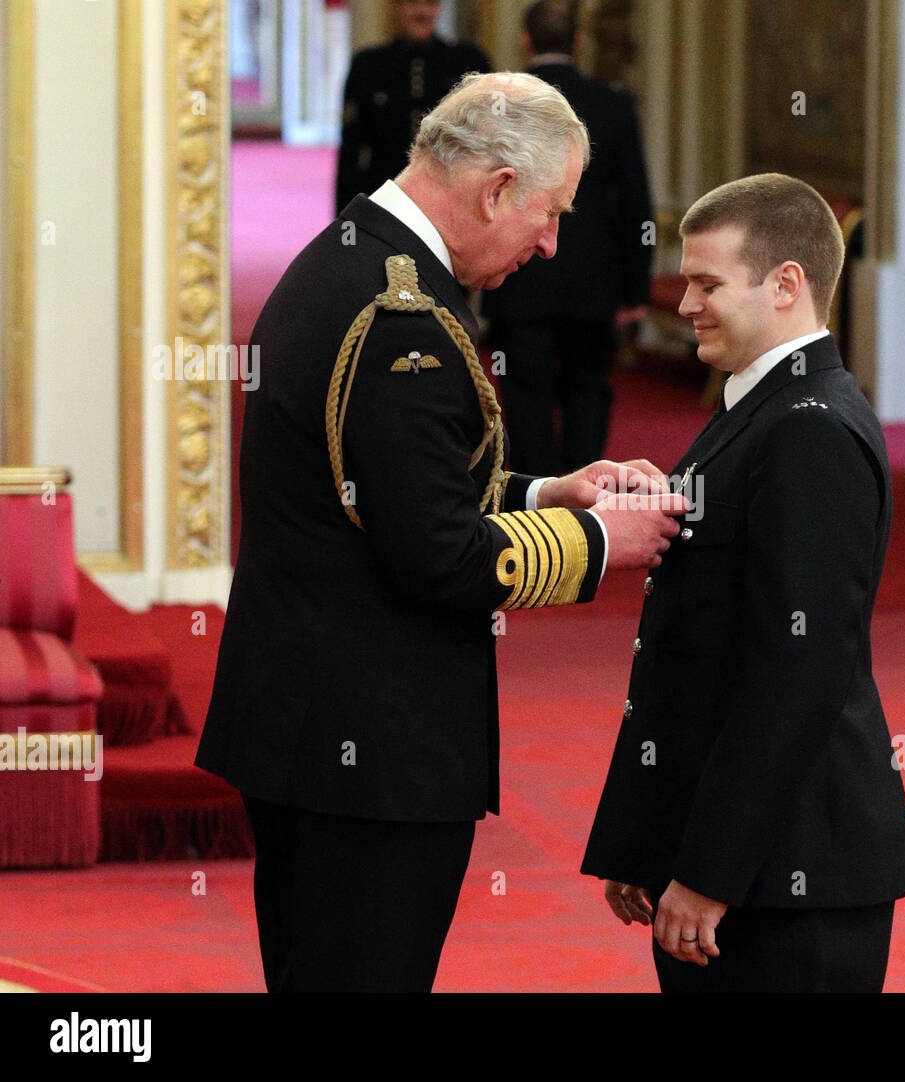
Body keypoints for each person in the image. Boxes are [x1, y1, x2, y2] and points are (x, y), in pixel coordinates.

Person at [197, 72, 686, 993]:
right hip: (368, 751)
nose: (550, 243)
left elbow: (401, 479)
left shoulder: (365, 257)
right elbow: (439, 554)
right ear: (496, 187)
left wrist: (552, 492)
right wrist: (601, 545)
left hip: (317, 722)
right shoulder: (400, 317)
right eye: (549, 213)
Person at [581, 173, 905, 993]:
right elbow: (694, 652)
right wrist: (647, 840)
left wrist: (707, 873)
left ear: (786, 285)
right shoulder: (760, 408)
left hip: (790, 881)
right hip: (744, 866)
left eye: (708, 283)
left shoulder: (810, 431)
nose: (688, 302)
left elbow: (795, 675)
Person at [481, 0, 653, 475]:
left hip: (519, 277)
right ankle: (584, 496)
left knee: (525, 395)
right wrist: (635, 289)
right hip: (594, 286)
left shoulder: (504, 112)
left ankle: (535, 503)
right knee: (588, 389)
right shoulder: (614, 103)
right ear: (578, 42)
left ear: (525, 40)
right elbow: (637, 203)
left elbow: (487, 196)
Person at [334, 0, 490, 215]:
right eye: (412, 3)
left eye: (430, 3)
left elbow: (485, 139)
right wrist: (346, 218)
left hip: (450, 194)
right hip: (386, 193)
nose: (422, 12)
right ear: (396, 6)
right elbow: (351, 149)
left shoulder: (467, 62)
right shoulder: (368, 65)